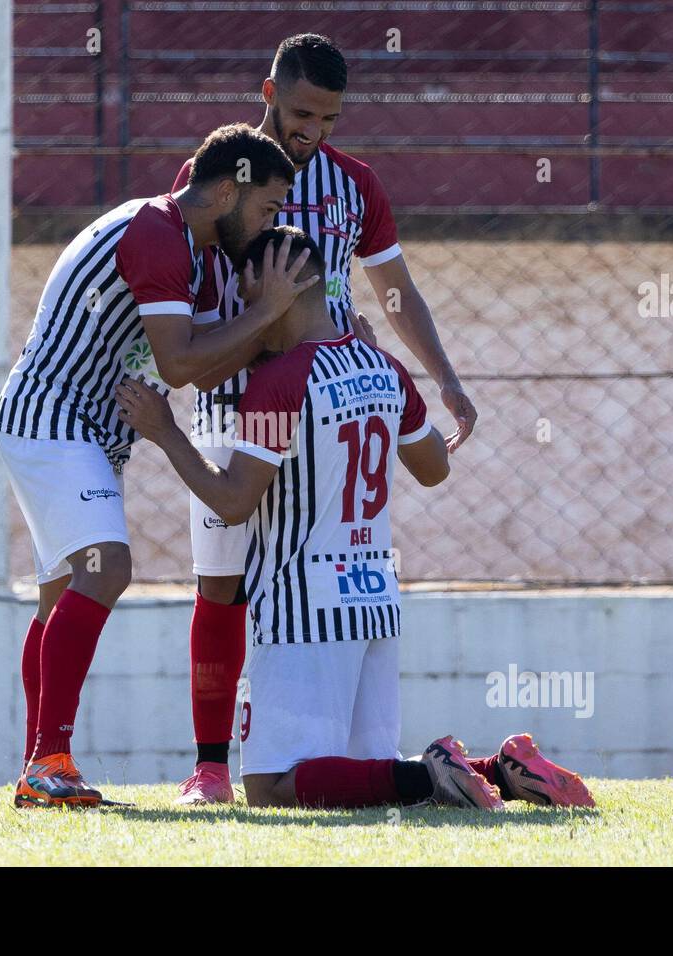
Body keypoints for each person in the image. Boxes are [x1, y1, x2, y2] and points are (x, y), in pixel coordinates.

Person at [117, 227, 594, 810]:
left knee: (269, 784)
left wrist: (166, 434)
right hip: (374, 600)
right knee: (370, 776)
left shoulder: (278, 383)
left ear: (280, 284)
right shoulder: (384, 367)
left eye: (245, 285)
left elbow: (235, 501)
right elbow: (434, 466)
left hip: (301, 606)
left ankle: (435, 775)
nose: (241, 304)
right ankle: (498, 768)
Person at [168, 34, 481, 804]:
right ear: (269, 93)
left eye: (330, 119)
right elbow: (187, 284)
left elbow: (394, 288)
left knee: (319, 552)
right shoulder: (214, 172)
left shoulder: (355, 185)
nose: (313, 132)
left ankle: (335, 757)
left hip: (329, 395)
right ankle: (212, 767)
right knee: (221, 584)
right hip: (236, 396)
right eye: (303, 113)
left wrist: (442, 376)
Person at [1, 125, 320, 808]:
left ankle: (40, 768)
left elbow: (202, 368)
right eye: (265, 208)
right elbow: (179, 364)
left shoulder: (192, 253)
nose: (268, 224)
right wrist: (267, 313)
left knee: (60, 596)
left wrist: (270, 327)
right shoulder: (156, 231)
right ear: (229, 187)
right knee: (106, 569)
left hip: (80, 429)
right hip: (54, 418)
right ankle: (46, 761)